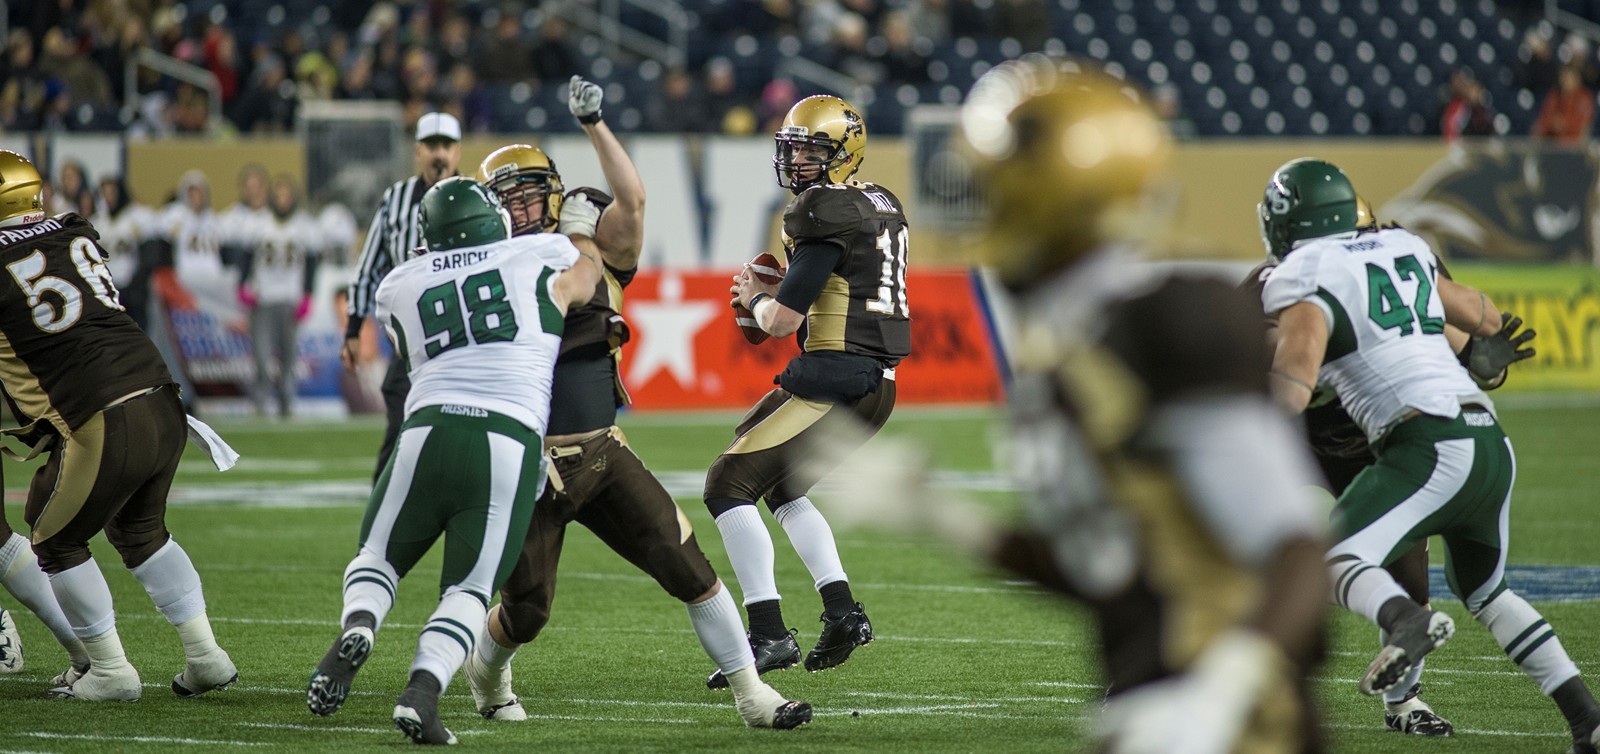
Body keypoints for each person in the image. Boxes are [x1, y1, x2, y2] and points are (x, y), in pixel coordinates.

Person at [947, 58, 1332, 753]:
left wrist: (1220, 690)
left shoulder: (1167, 318)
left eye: (998, 182)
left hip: (1242, 726)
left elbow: (1296, 550)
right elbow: (1117, 574)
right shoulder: (1060, 335)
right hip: (1144, 705)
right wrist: (953, 522)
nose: (986, 201)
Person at [462, 76, 812, 730]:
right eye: (505, 201)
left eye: (529, 197)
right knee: (529, 610)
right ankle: (487, 669)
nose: (519, 211)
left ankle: (753, 695)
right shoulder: (482, 271)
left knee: (689, 566)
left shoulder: (588, 243)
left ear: (554, 197)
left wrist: (595, 124)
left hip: (600, 449)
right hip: (524, 463)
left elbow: (634, 199)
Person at [1260, 157, 1600, 754]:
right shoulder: (1402, 245)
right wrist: (1482, 345)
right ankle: (1587, 719)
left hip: (1425, 443)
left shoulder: (1303, 271)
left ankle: (1402, 621)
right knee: (1489, 594)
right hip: (1488, 440)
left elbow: (1292, 384)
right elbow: (1480, 313)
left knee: (1329, 559)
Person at [304, 177, 605, 744]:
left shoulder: (402, 281)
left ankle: (361, 623)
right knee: (468, 589)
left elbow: (405, 343)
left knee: (377, 556)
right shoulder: (537, 254)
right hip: (506, 438)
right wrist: (582, 232)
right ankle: (422, 691)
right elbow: (585, 282)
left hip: (426, 428)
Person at [0, 149, 237, 701]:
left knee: (52, 534)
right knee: (140, 532)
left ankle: (108, 669)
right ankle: (206, 656)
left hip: (106, 414)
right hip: (163, 397)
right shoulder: (74, 230)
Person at [704, 94, 910, 688]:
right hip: (870, 379)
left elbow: (780, 323)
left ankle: (768, 633)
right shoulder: (880, 201)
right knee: (781, 488)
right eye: (792, 149)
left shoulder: (826, 211)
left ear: (843, 155)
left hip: (839, 375)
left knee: (728, 483)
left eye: (812, 151)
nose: (797, 161)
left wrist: (753, 297)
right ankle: (843, 613)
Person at [344, 112, 461, 481]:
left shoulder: (474, 198)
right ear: (418, 151)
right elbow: (367, 266)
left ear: (457, 151)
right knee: (400, 427)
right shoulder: (395, 199)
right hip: (409, 343)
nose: (439, 155)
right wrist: (352, 328)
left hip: (461, 341)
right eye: (431, 147)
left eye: (446, 146)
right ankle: (385, 507)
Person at [239, 176, 320, 418]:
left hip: (290, 298)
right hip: (263, 298)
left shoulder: (304, 226)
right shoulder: (258, 224)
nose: (283, 200)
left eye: (287, 195)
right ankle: (260, 404)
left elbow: (312, 264)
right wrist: (242, 286)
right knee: (262, 358)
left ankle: (286, 404)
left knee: (288, 357)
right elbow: (244, 257)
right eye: (279, 195)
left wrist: (307, 295)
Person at [1532, 64, 1595, 147]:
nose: (1566, 81)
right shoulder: (1554, 96)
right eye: (1564, 78)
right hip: (1552, 145)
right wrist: (1553, 124)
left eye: (1569, 78)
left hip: (1574, 147)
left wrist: (1564, 125)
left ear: (1577, 80)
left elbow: (1582, 123)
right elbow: (1545, 119)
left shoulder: (1584, 97)